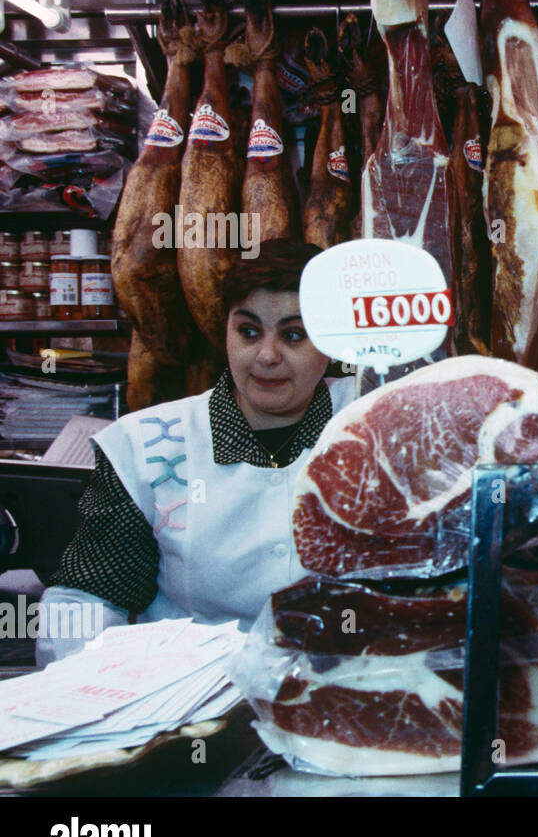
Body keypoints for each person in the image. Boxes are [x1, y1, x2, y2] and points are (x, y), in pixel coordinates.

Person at [37, 239, 354, 662]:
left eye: (293, 335)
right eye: (248, 331)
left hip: (339, 685)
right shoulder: (145, 444)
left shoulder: (369, 423)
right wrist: (98, 681)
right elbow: (86, 598)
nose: (266, 356)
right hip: (188, 690)